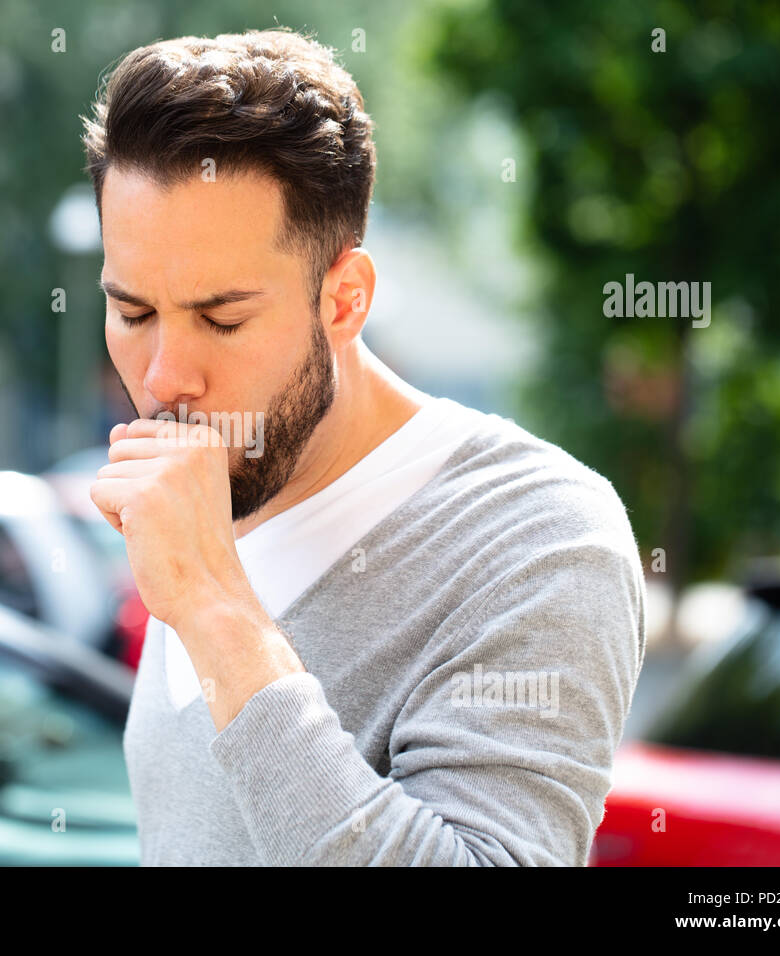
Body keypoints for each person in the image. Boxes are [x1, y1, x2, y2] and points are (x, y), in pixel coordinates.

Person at [82, 27, 645, 866]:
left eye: (223, 319)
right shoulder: (218, 485)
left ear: (344, 299)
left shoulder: (542, 537)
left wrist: (219, 613)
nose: (165, 377)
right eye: (132, 313)